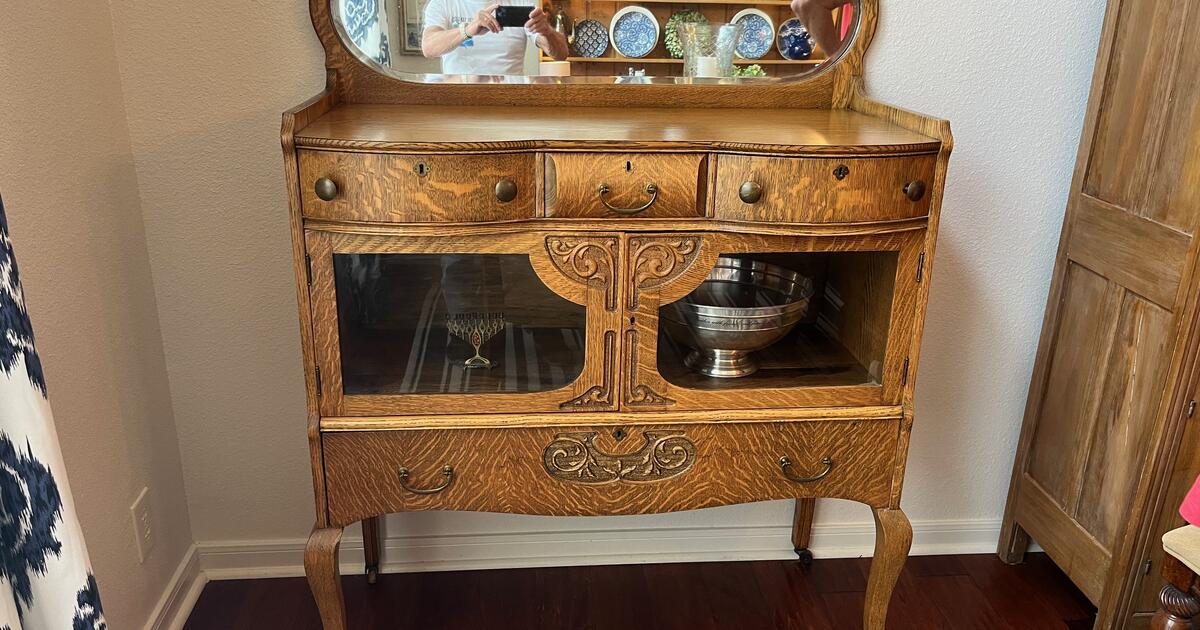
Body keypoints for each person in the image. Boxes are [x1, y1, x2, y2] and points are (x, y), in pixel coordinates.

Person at [421, 1, 569, 76]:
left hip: (509, 103)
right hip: (458, 102)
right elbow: (428, 47)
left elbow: (561, 54)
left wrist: (547, 31)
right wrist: (467, 30)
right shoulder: (442, 3)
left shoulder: (520, 2)